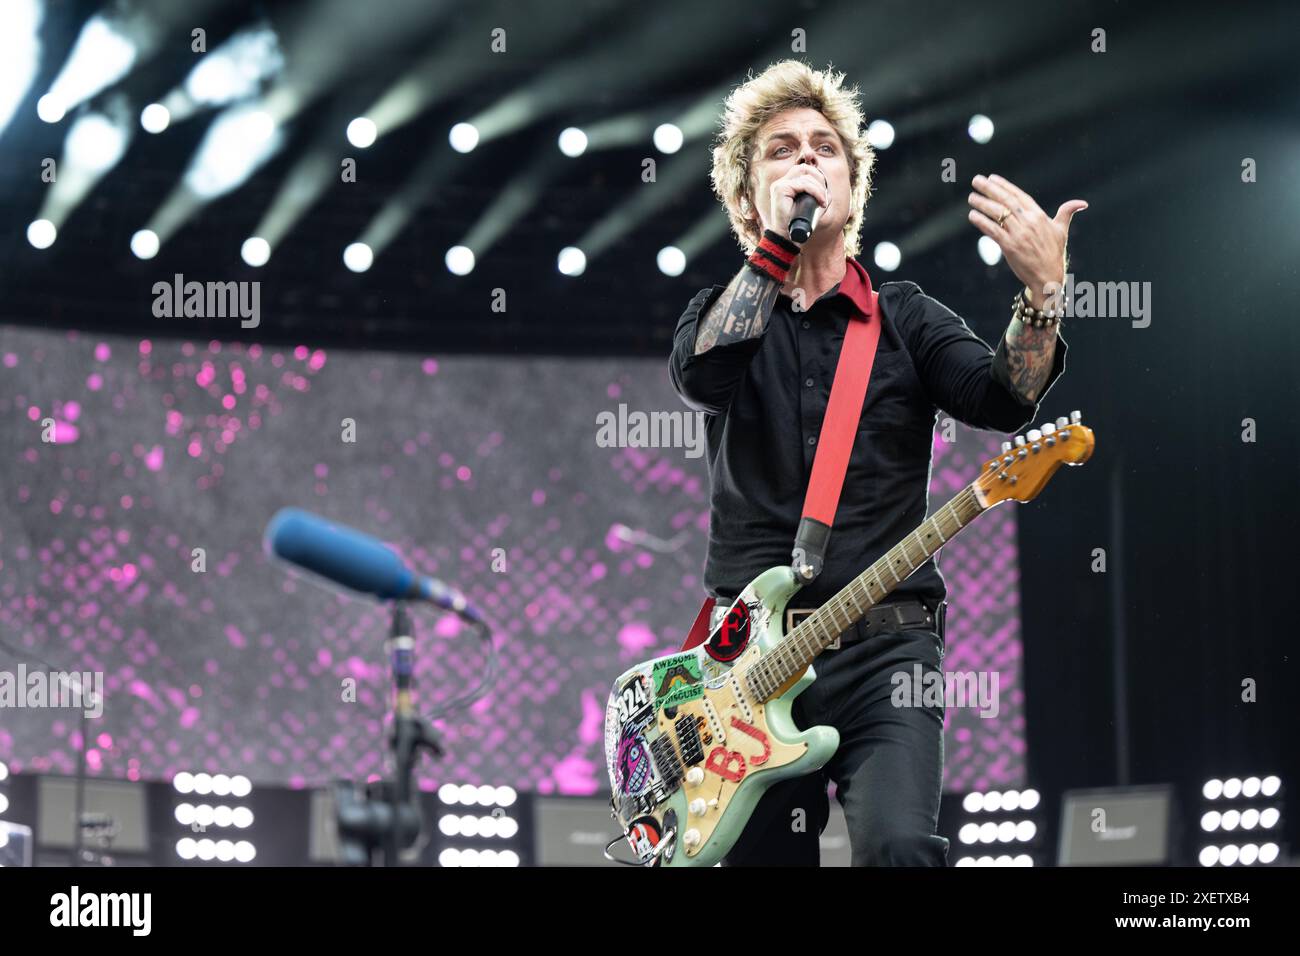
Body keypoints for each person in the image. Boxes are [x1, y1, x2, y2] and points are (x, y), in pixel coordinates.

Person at [667, 60, 1084, 866]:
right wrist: (773, 247)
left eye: (825, 150)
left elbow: (1008, 398)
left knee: (901, 849)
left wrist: (1042, 296)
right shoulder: (717, 317)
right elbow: (703, 376)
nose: (806, 163)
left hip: (887, 653)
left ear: (852, 191)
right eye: (781, 151)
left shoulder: (906, 317)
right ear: (747, 194)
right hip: (745, 670)